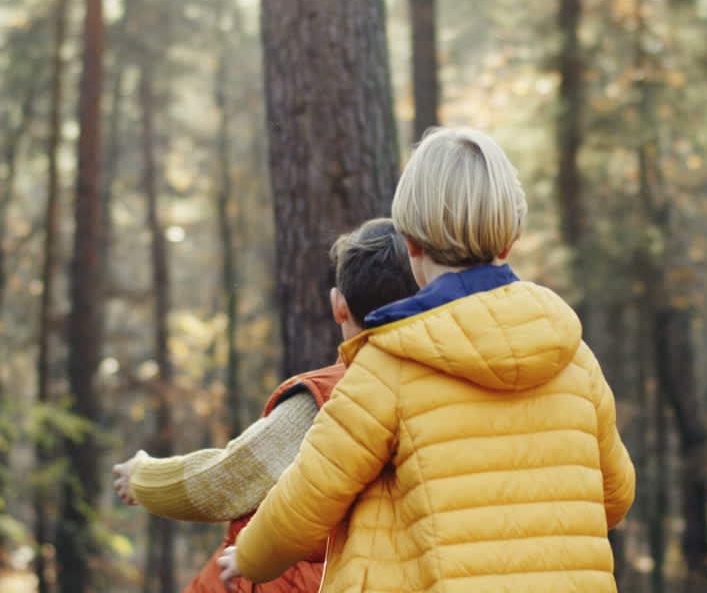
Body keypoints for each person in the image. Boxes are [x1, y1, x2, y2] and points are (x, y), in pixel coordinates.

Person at [220, 127, 636, 593]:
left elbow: (309, 495)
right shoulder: (573, 356)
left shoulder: (389, 364)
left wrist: (253, 556)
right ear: (509, 240)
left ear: (411, 243)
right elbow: (614, 496)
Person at [111, 218, 418, 593]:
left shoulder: (327, 400)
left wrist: (143, 477)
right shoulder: (443, 389)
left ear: (338, 305)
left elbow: (227, 480)